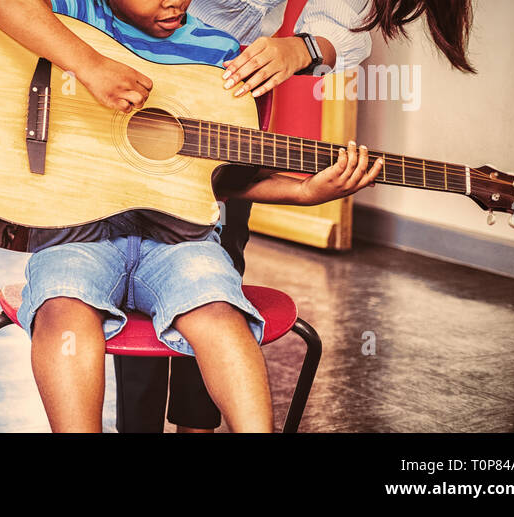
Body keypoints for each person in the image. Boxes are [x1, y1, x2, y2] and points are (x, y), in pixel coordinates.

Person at [0, 0, 385, 432]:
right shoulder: (76, 16)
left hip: (180, 244)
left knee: (221, 311)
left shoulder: (220, 57)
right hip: (78, 236)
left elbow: (222, 179)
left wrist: (304, 191)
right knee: (63, 307)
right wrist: (90, 65)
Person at [116, 0, 478, 434]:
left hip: (227, 100)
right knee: (127, 253)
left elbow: (342, 24)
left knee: (218, 270)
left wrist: (302, 49)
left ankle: (198, 427)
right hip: (131, 68)